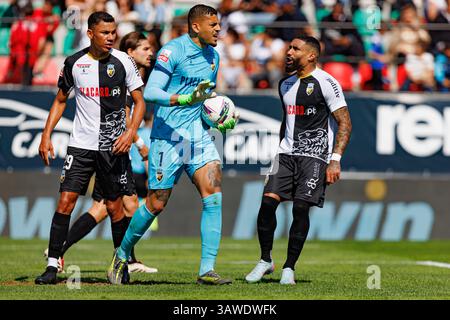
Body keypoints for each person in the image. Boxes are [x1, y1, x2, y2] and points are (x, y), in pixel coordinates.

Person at [107, 4, 239, 285]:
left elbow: (203, 99)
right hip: (168, 136)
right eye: (213, 25)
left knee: (213, 195)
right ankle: (121, 255)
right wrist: (186, 99)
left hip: (199, 137)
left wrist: (214, 116)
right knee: (156, 203)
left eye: (219, 25)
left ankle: (207, 271)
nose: (218, 30)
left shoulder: (213, 56)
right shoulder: (172, 51)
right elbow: (152, 91)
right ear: (195, 26)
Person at [35, 11, 145, 285]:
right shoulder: (74, 62)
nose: (111, 37)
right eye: (105, 33)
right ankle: (52, 265)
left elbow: (139, 102)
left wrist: (130, 133)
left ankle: (120, 265)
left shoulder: (124, 62)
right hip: (80, 146)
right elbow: (60, 100)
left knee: (115, 207)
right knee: (65, 201)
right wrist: (46, 135)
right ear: (91, 34)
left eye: (113, 32)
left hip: (113, 148)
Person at [245, 35, 352, 285]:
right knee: (267, 204)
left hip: (314, 156)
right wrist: (280, 148)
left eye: (295, 48)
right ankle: (265, 260)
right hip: (285, 154)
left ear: (312, 55)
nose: (289, 52)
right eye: (289, 47)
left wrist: (335, 160)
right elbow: (288, 121)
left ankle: (289, 268)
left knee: (300, 208)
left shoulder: (327, 83)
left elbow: (344, 121)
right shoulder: (284, 84)